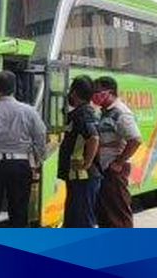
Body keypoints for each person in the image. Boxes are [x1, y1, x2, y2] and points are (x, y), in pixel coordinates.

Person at [0, 70, 47, 227]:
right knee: (19, 211)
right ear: (14, 88)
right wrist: (38, 160)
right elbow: (41, 136)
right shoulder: (29, 111)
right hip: (20, 165)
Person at [92, 76, 143, 228]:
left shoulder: (121, 113)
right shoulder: (105, 112)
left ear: (110, 92)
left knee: (118, 213)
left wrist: (118, 162)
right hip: (105, 169)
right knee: (106, 213)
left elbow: (135, 140)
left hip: (114, 170)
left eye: (98, 91)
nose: (95, 95)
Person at [58, 76, 101, 228]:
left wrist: (87, 163)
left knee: (82, 220)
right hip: (77, 177)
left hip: (83, 176)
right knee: (73, 220)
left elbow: (93, 137)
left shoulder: (83, 114)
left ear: (74, 93)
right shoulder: (83, 112)